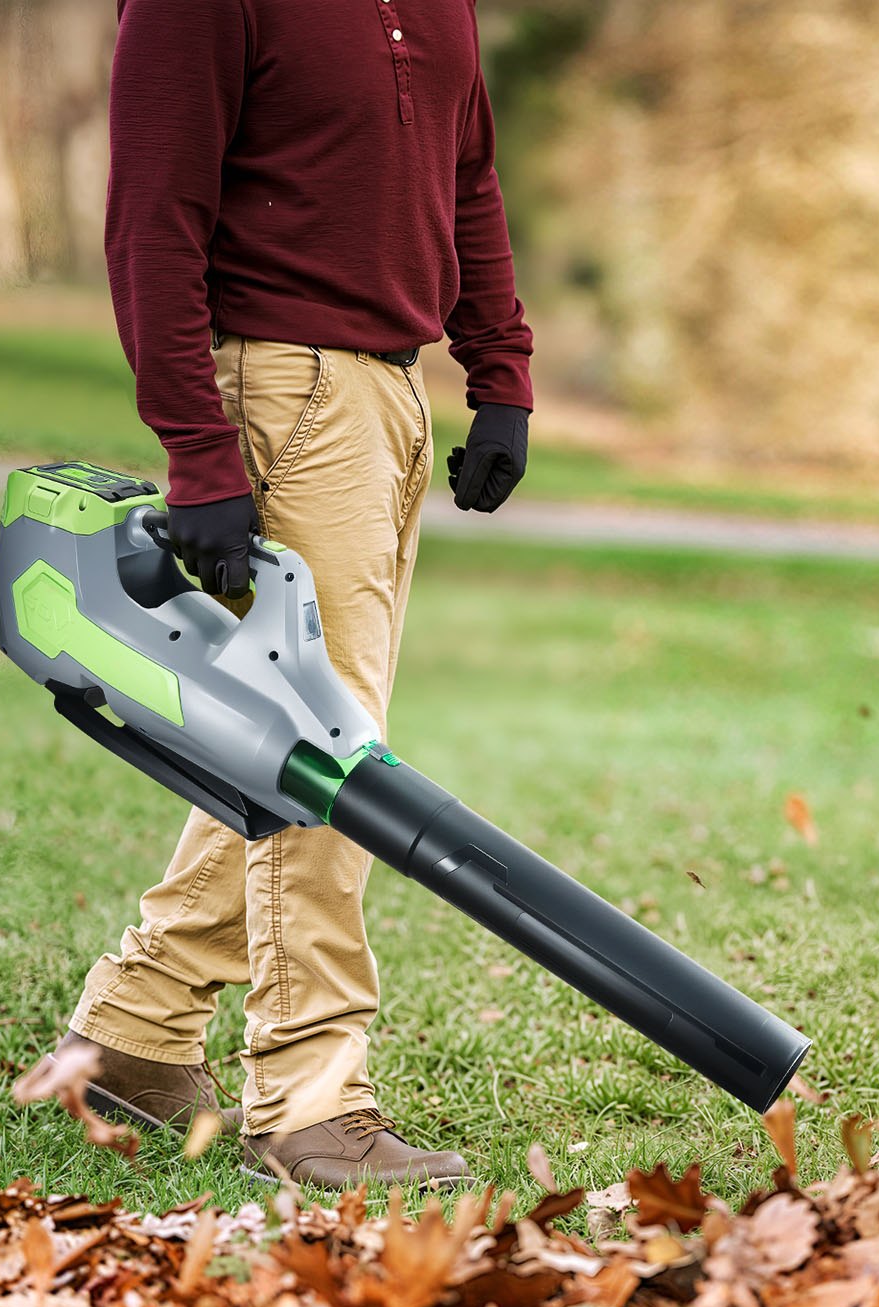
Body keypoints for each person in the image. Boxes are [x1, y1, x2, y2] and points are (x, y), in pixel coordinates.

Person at [42, 0, 534, 1188]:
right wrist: (199, 449)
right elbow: (152, 217)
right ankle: (311, 1104)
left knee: (300, 739)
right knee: (324, 751)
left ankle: (136, 1030)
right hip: (281, 388)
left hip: (390, 397)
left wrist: (500, 371)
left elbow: (466, 174)